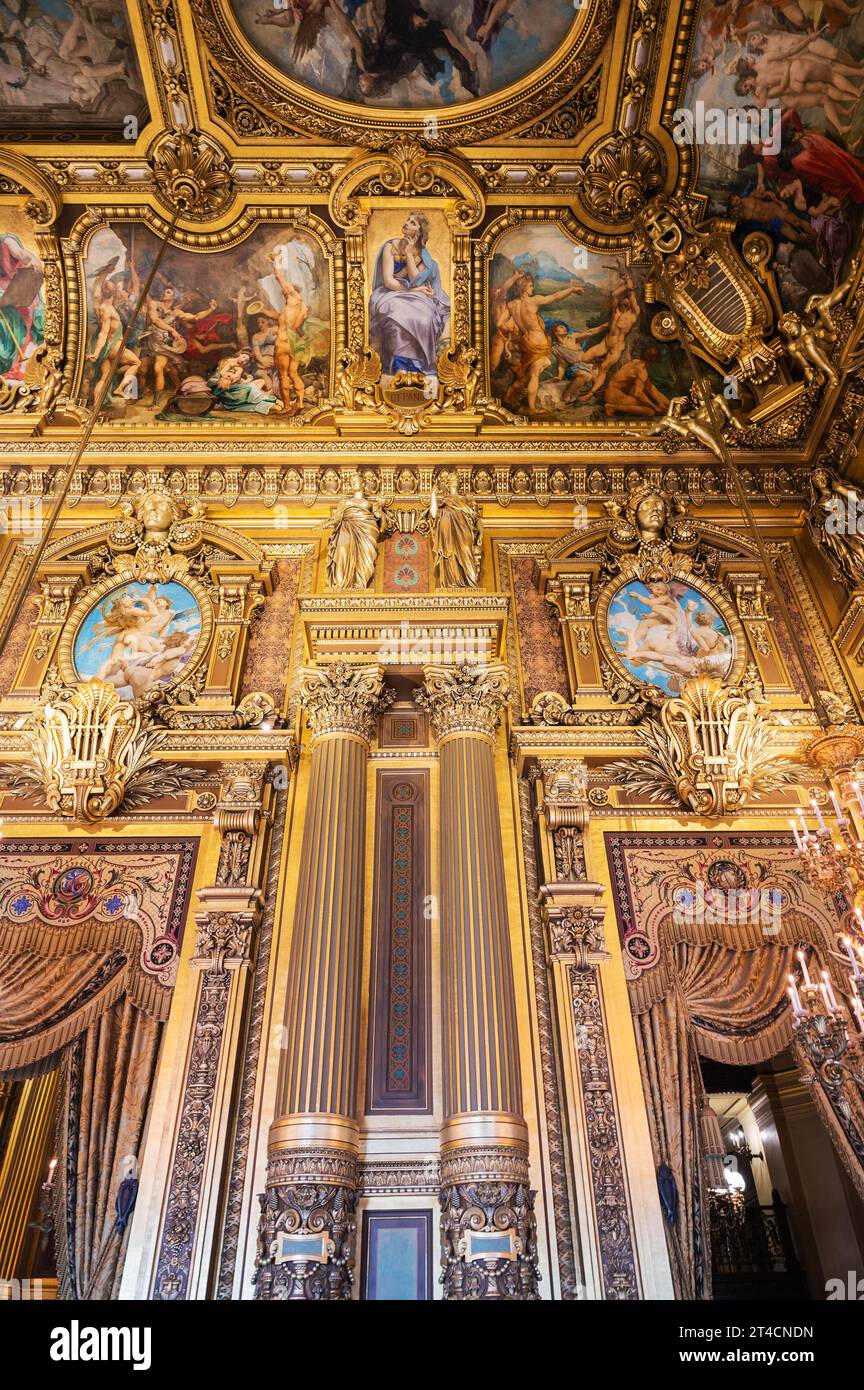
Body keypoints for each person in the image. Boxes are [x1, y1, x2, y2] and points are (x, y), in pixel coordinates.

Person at [369, 213, 450, 374]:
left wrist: (409, 253)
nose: (406, 224)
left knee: (426, 316)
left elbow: (416, 280)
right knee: (395, 312)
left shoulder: (423, 256)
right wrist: (411, 290)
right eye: (407, 220)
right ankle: (400, 362)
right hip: (389, 293)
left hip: (413, 293)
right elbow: (388, 281)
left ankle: (419, 364)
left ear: (418, 232)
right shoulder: (390, 246)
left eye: (412, 223)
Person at [502, 272, 584, 412]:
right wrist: (572, 289)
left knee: (528, 371)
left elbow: (500, 324)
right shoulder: (533, 301)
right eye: (530, 286)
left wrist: (511, 336)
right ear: (523, 287)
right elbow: (556, 297)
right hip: (538, 341)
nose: (532, 289)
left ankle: (509, 397)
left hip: (525, 342)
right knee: (534, 374)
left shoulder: (511, 305)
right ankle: (532, 408)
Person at [267, 251, 309, 413]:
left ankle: (286, 406)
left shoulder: (293, 297)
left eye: (286, 290)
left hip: (283, 342)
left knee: (283, 374)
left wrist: (276, 260)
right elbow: (297, 327)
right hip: (295, 343)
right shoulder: (303, 308)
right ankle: (300, 403)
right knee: (294, 372)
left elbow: (279, 277)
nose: (284, 291)